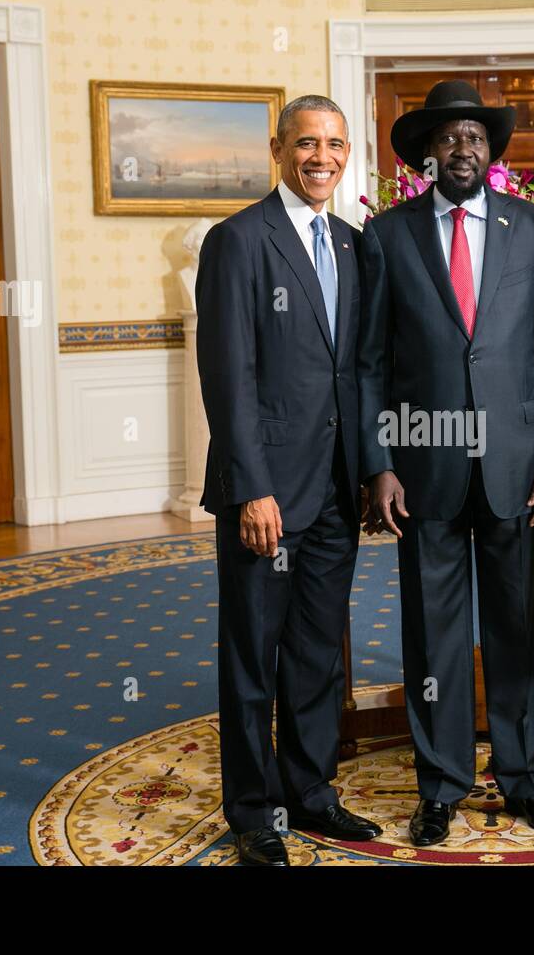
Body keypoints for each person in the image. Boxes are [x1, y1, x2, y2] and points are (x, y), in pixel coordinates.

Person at [358, 80, 534, 847]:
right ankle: (441, 783)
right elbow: (370, 363)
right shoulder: (386, 236)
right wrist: (379, 463)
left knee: (519, 628)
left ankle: (524, 778)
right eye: (449, 138)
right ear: (428, 152)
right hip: (424, 468)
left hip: (518, 466)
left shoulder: (531, 231)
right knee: (433, 633)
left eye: (476, 137)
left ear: (493, 152)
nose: (463, 149)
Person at [195, 94, 381, 867]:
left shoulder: (351, 242)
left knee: (316, 656)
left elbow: (359, 370)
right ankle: (252, 810)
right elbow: (228, 374)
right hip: (266, 493)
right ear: (278, 150)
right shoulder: (238, 241)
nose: (322, 158)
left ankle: (310, 791)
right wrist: (252, 488)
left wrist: (372, 473)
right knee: (253, 656)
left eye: (335, 145)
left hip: (336, 492)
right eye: (307, 143)